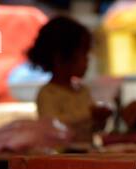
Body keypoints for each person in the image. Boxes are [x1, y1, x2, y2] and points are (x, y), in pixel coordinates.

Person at [28, 15, 111, 144]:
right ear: (60, 57)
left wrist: (101, 119)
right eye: (83, 53)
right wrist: (90, 115)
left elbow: (93, 130)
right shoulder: (47, 94)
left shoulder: (83, 91)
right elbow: (53, 126)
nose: (87, 59)